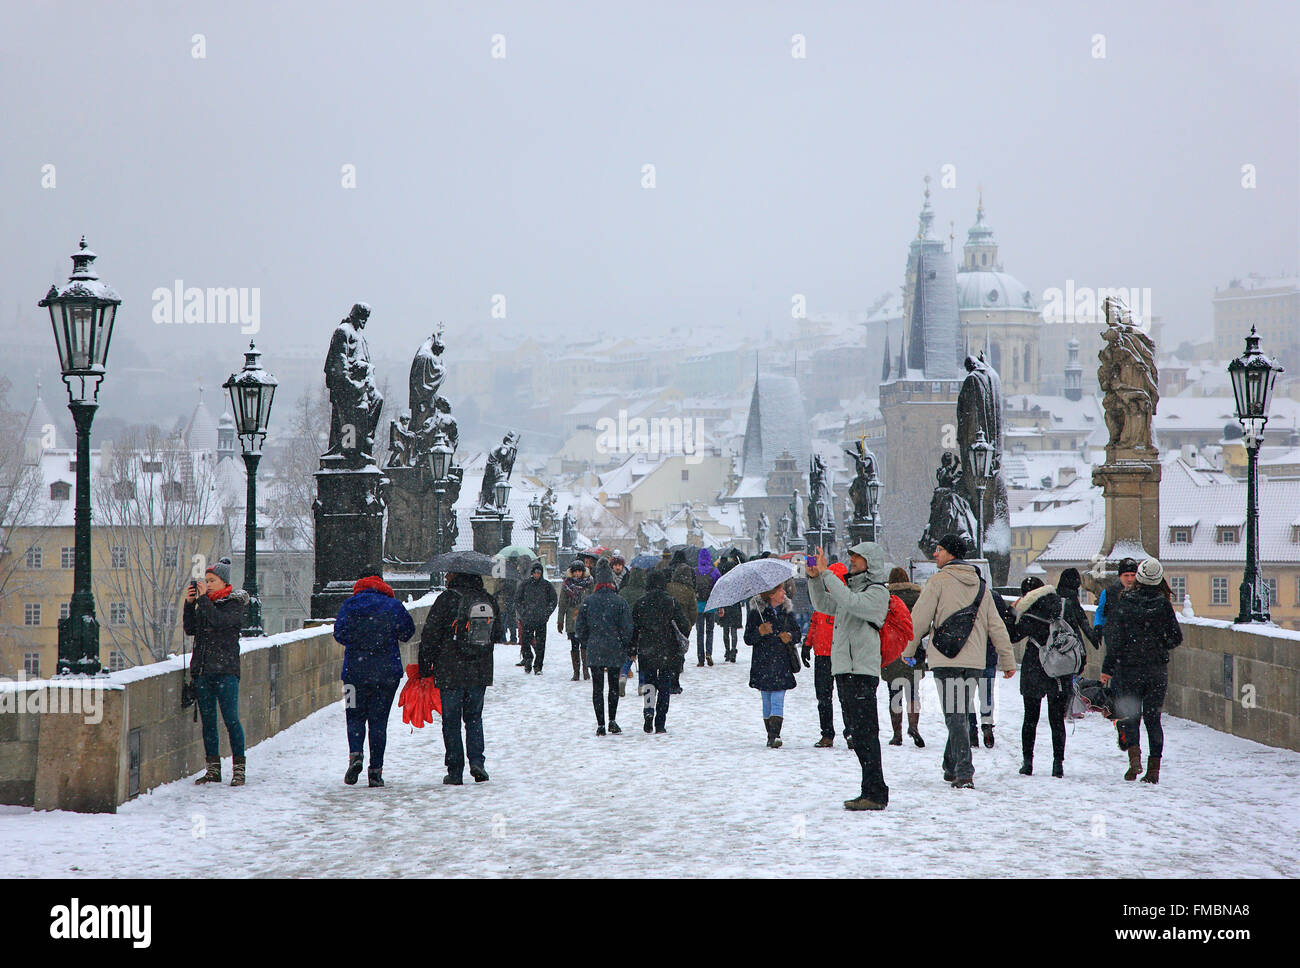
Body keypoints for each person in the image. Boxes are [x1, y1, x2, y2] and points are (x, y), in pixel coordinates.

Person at [902, 534, 1015, 790]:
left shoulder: (938, 581)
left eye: (938, 550)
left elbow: (918, 619)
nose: (935, 554)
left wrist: (908, 649)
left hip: (946, 657)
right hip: (974, 660)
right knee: (960, 713)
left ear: (950, 553)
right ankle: (950, 765)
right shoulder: (981, 585)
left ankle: (964, 772)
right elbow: (996, 625)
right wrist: (1007, 659)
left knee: (955, 716)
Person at [806, 542, 891, 811]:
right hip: (845, 669)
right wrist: (814, 578)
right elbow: (824, 604)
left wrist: (827, 574)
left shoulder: (876, 592)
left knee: (866, 734)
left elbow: (851, 603)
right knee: (857, 733)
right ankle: (869, 790)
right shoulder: (851, 588)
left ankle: (876, 793)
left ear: (870, 562)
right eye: (851, 557)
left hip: (862, 671)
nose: (852, 561)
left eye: (857, 558)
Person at [1102, 557, 1182, 784]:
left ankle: (1134, 760)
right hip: (1156, 669)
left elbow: (1114, 640)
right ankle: (1154, 770)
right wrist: (1158, 641)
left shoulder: (1125, 601)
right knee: (1153, 719)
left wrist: (1108, 668)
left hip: (1129, 669)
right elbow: (1175, 637)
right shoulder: (1163, 603)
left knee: (1131, 716)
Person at [418, 570, 502, 785]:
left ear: (456, 575)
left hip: (450, 671)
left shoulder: (446, 599)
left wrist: (425, 667)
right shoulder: (486, 599)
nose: (445, 577)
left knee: (451, 721)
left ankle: (455, 770)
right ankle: (477, 762)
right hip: (479, 670)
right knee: (474, 718)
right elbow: (499, 633)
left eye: (448, 574)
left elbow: (430, 635)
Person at [332, 575, 416, 787]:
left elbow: (340, 634)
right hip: (386, 675)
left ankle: (355, 755)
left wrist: (359, 638)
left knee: (353, 716)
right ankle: (375, 771)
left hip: (353, 674)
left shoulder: (349, 605)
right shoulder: (393, 605)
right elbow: (408, 633)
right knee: (379, 722)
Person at [184, 557, 250, 786]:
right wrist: (189, 604)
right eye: (207, 580)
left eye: (212, 580)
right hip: (203, 671)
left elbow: (220, 622)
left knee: (231, 719)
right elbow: (191, 629)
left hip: (226, 671)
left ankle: (239, 770)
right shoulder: (206, 603)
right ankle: (213, 770)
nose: (208, 584)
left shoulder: (233, 604)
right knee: (209, 722)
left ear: (224, 582)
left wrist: (203, 601)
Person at [1008, 577, 1077, 778]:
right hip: (1060, 669)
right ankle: (1058, 764)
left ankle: (1027, 763)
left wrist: (1012, 612)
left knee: (1030, 718)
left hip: (1034, 667)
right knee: (1057, 719)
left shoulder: (1030, 611)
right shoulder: (1063, 606)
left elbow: (1013, 636)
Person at [575, 560, 634, 735]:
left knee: (597, 688)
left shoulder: (588, 601)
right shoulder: (620, 602)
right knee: (613, 686)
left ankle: (600, 724)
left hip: (595, 649)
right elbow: (627, 628)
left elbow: (580, 628)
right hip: (615, 649)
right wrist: (623, 644)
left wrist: (588, 642)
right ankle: (612, 720)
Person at [630, 570, 690, 733]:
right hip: (667, 649)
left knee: (649, 684)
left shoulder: (640, 603)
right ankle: (660, 722)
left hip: (646, 649)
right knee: (664, 686)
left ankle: (648, 712)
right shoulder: (671, 602)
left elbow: (634, 628)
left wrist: (633, 648)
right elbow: (684, 625)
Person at [744, 581, 802, 748]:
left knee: (777, 698)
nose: (784, 592)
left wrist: (790, 636)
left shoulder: (786, 611)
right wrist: (760, 632)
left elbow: (797, 632)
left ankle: (775, 735)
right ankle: (770, 735)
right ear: (771, 594)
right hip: (763, 662)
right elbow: (748, 639)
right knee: (766, 699)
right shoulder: (757, 613)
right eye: (780, 589)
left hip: (781, 662)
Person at [803, 561, 848, 748]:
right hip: (825, 653)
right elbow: (815, 622)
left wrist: (808, 643)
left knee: (836, 698)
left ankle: (838, 733)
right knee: (829, 698)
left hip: (837, 654)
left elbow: (814, 623)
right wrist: (807, 644)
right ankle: (832, 733)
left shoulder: (846, 602)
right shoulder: (824, 600)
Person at [884, 566, 926, 748]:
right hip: (913, 648)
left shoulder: (886, 598)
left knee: (894, 693)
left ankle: (897, 734)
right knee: (913, 691)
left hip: (892, 649)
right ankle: (914, 726)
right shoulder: (919, 597)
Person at [516, 561, 558, 675]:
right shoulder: (525, 585)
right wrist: (523, 613)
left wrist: (546, 613)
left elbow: (554, 600)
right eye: (535, 573)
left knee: (540, 644)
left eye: (538, 573)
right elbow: (518, 600)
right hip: (528, 618)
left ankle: (538, 666)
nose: (536, 575)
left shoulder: (547, 586)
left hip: (540, 620)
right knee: (525, 642)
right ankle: (528, 659)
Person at [557, 560, 593, 681]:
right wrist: (560, 621)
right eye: (575, 571)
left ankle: (585, 669)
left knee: (585, 645)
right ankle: (576, 672)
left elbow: (594, 601)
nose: (577, 574)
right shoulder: (567, 585)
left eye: (579, 571)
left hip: (585, 619)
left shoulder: (589, 583)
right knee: (574, 645)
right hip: (572, 619)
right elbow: (562, 603)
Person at [1093, 557, 1138, 646]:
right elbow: (1100, 612)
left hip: (1136, 641)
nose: (1130, 579)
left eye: (1133, 575)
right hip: (1114, 640)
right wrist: (1098, 626)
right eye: (1126, 575)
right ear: (1120, 576)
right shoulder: (1108, 592)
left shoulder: (1141, 592)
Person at [715, 550, 745, 662]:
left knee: (725, 629)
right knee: (734, 630)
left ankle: (727, 651)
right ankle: (733, 650)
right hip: (735, 604)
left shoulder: (723, 580)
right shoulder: (737, 577)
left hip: (725, 603)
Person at [693, 548, 721, 666]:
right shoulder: (714, 571)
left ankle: (700, 659)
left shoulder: (694, 571)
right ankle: (708, 653)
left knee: (700, 632)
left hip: (698, 606)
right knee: (710, 631)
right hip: (711, 605)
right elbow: (719, 588)